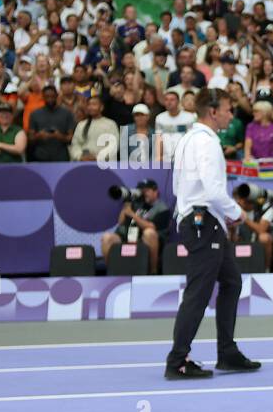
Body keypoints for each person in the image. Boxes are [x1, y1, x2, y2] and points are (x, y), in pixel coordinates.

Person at [165, 88, 261, 380]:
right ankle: (177, 360)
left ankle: (227, 352)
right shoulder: (206, 142)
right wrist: (236, 213)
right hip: (203, 221)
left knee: (231, 282)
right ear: (213, 111)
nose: (232, 115)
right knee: (199, 292)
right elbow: (211, 187)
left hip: (202, 219)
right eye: (229, 110)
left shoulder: (188, 140)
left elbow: (178, 184)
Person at [103, 179, 170, 273]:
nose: (143, 193)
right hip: (128, 235)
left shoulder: (162, 207)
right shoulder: (136, 204)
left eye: (146, 190)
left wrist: (133, 215)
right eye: (141, 191)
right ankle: (111, 271)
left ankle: (153, 271)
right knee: (107, 238)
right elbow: (121, 222)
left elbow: (152, 227)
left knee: (149, 233)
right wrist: (127, 203)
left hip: (145, 239)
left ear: (155, 191)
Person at [27, 85, 75, 162]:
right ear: (43, 97)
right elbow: (30, 139)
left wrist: (60, 136)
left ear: (57, 96)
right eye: (47, 96)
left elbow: (71, 138)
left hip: (61, 157)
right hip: (40, 157)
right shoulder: (35, 114)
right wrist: (39, 136)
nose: (50, 99)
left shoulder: (67, 113)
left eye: (52, 96)